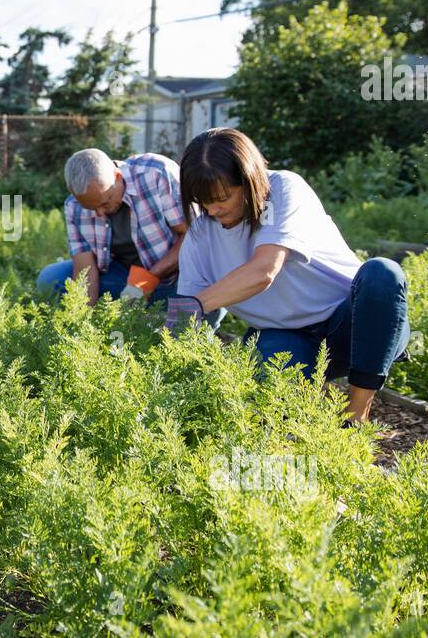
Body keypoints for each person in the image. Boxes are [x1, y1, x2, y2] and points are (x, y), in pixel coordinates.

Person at [165, 128, 410, 425]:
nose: (212, 210)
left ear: (250, 180)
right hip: (287, 337)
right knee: (266, 378)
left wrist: (197, 303)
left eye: (223, 197)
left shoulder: (281, 190)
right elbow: (187, 315)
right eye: (203, 202)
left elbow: (264, 271)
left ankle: (356, 414)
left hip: (352, 327)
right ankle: (312, 402)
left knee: (383, 272)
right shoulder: (201, 234)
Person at [37, 148, 192, 305]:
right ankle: (134, 308)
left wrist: (146, 281)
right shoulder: (74, 206)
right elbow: (85, 271)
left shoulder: (155, 173)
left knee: (198, 308)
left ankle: (158, 308)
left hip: (175, 279)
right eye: (91, 207)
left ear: (117, 176)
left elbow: (193, 235)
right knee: (50, 278)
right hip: (123, 278)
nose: (99, 213)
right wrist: (83, 321)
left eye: (105, 202)